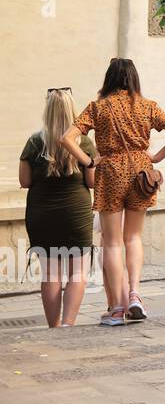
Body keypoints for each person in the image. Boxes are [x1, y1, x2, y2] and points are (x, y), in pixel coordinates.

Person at [61, 58, 165, 327]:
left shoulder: (97, 108)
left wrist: (87, 161)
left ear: (109, 79)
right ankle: (135, 295)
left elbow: (66, 138)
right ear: (133, 79)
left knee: (113, 241)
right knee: (133, 237)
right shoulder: (147, 106)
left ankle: (117, 309)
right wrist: (155, 158)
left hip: (110, 172)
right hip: (142, 172)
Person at [19, 88, 96, 328]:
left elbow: (25, 181)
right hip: (76, 214)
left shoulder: (34, 141)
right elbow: (92, 182)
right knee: (77, 273)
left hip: (42, 215)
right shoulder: (83, 142)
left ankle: (53, 326)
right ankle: (67, 325)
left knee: (50, 274)